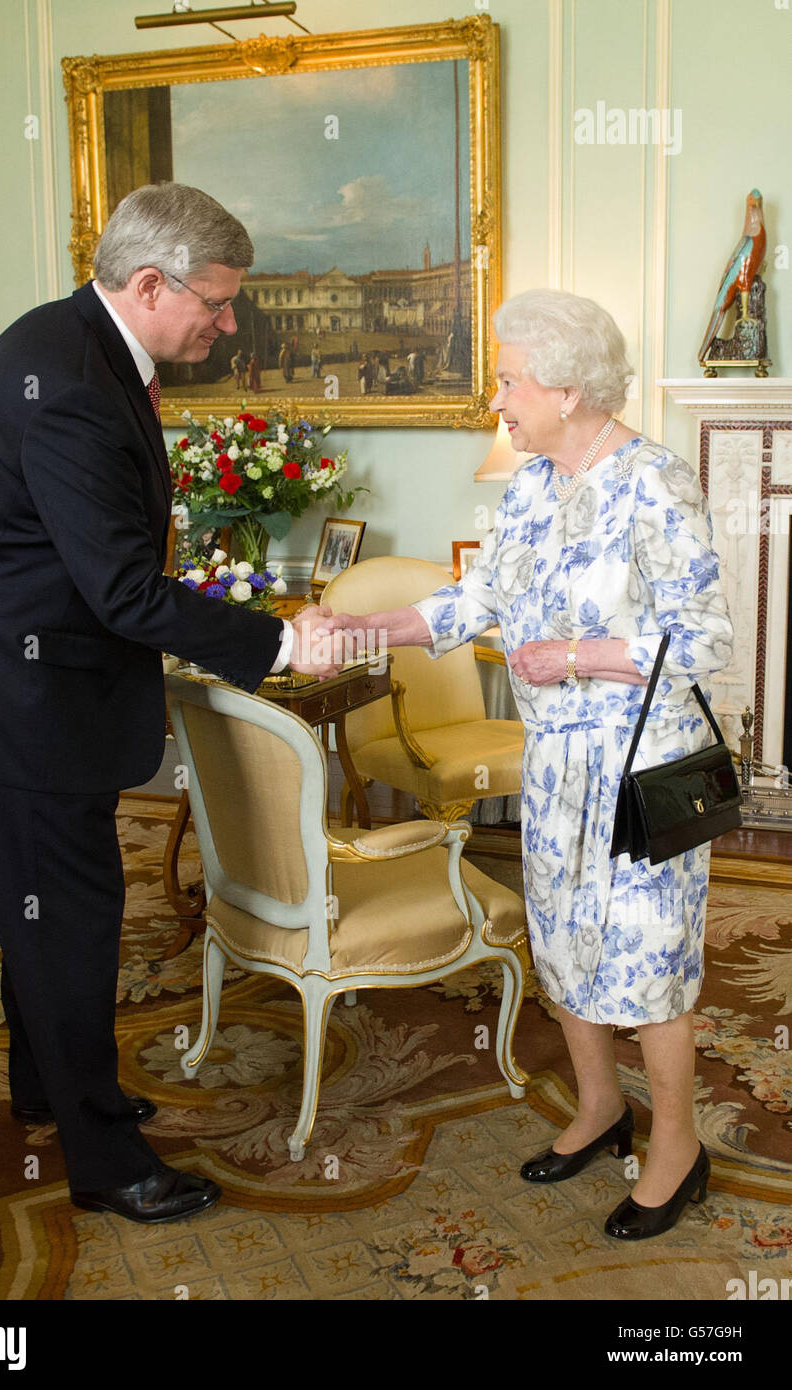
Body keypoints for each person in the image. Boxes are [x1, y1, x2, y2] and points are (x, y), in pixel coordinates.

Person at [0, 182, 339, 1226]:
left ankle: (46, 1087)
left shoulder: (77, 341)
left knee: (37, 908)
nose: (226, 325)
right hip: (17, 695)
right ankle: (100, 1158)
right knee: (68, 923)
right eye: (215, 305)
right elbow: (125, 590)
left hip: (14, 672)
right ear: (148, 283)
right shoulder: (74, 382)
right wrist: (275, 639)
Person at [321, 288, 734, 1241]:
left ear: (566, 383)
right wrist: (370, 625)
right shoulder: (532, 484)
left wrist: (580, 655)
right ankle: (598, 1109)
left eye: (507, 379)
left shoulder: (656, 483)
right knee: (563, 947)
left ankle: (676, 1146)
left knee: (646, 962)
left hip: (640, 768)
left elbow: (704, 640)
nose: (495, 399)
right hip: (554, 767)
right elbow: (471, 602)